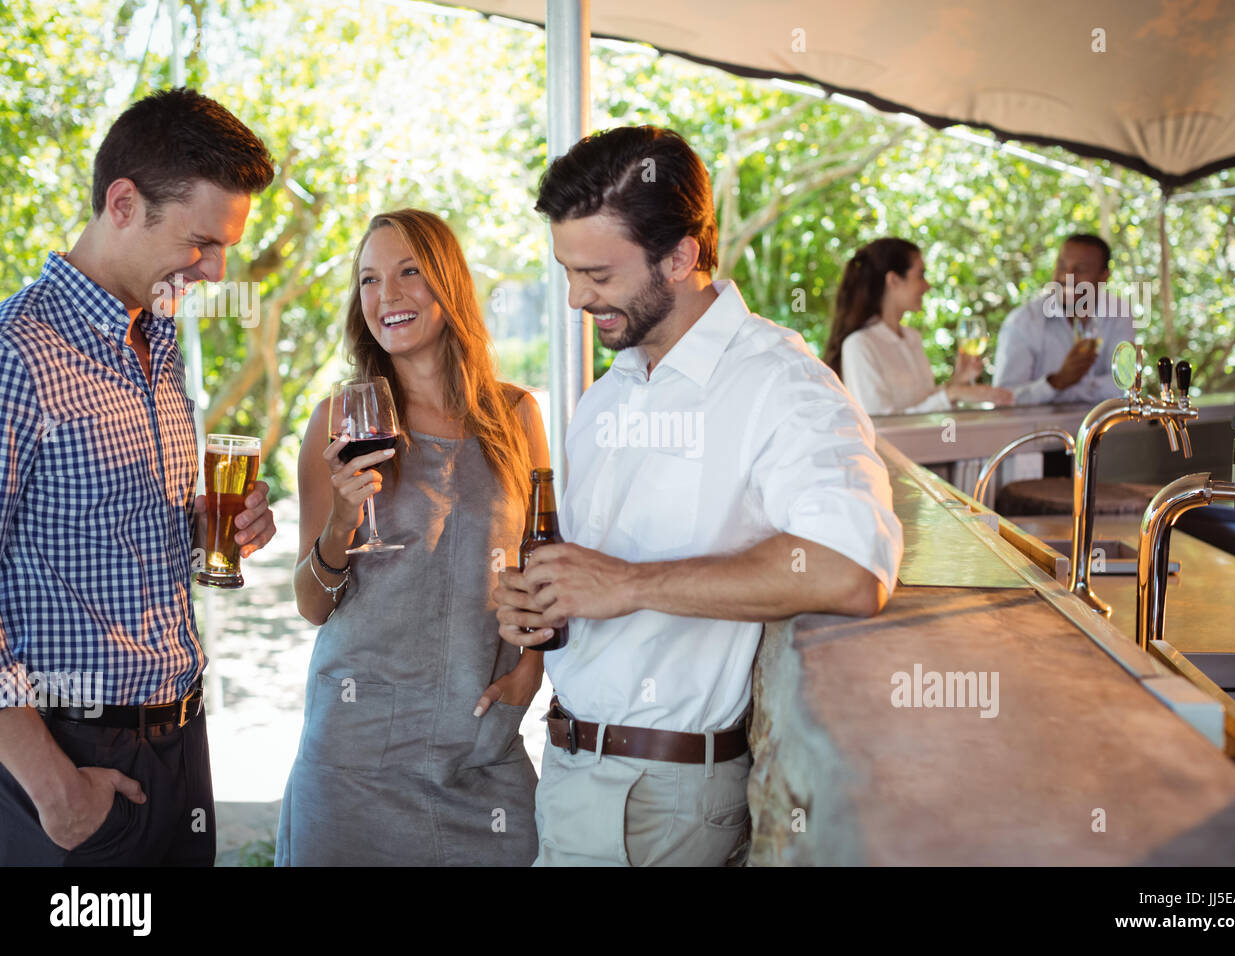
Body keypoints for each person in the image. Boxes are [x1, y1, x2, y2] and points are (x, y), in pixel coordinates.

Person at [493, 126, 905, 867]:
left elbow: (851, 567)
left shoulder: (781, 383)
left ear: (681, 256)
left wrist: (628, 585)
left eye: (597, 274)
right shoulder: (609, 391)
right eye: (566, 270)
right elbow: (590, 579)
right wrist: (534, 602)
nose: (575, 297)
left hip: (660, 803)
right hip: (571, 777)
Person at [0, 88, 278, 866]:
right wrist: (55, 792)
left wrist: (202, 528)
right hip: (68, 758)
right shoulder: (17, 355)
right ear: (123, 203)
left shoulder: (156, 341)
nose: (218, 272)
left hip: (178, 746)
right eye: (202, 242)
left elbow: (102, 527)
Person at [276, 209, 548, 866]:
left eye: (408, 273)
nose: (386, 297)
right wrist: (342, 520)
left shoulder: (516, 416)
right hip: (355, 766)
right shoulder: (339, 420)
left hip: (484, 753)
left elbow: (544, 560)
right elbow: (312, 604)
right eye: (369, 280)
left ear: (447, 284)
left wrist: (530, 673)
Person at [824, 239, 1013, 414]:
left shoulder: (911, 337)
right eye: (920, 275)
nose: (927, 286)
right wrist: (951, 394)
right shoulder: (860, 345)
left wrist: (957, 381)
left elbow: (921, 404)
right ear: (893, 280)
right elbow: (879, 426)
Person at [993, 234, 1136, 405]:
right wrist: (1056, 382)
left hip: (1106, 431)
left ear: (1103, 276)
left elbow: (1127, 384)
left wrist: (1067, 386)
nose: (1066, 277)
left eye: (1080, 269)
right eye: (1061, 267)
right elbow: (1003, 399)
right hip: (1040, 431)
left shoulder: (1119, 313)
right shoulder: (1023, 321)